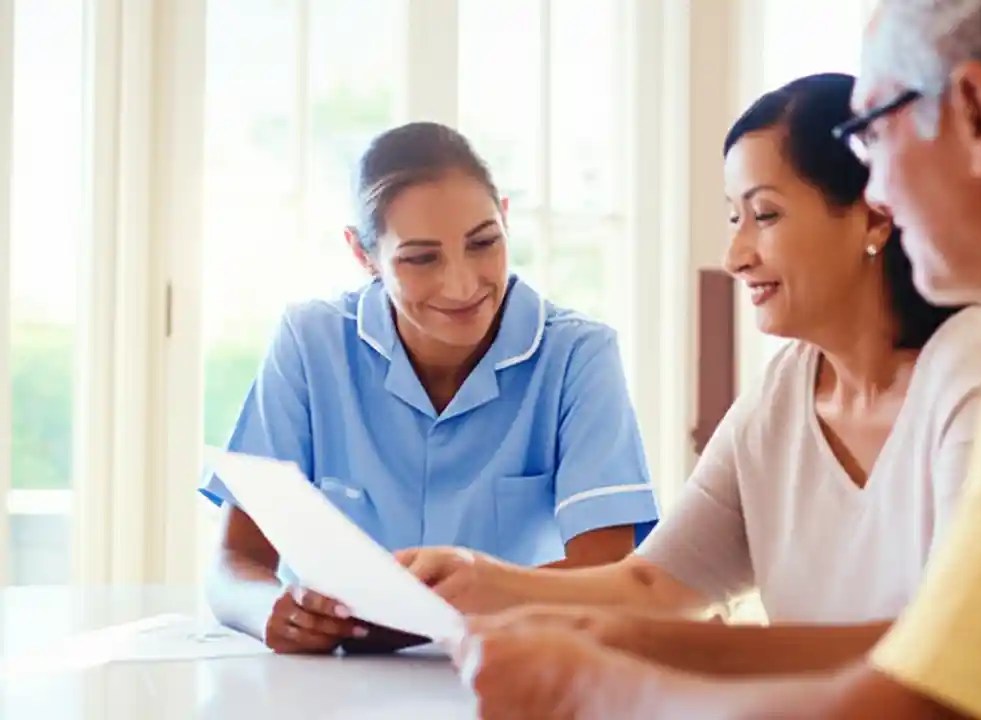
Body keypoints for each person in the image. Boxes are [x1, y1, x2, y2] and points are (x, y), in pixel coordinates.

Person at [453, 1, 981, 718]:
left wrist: (592, 692)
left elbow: (938, 709)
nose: (875, 188)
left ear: (978, 115)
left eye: (871, 130)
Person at [398, 73, 981, 677]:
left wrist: (673, 650)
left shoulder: (977, 374)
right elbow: (655, 583)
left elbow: (953, 646)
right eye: (734, 218)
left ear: (875, 217)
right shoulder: (785, 393)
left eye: (766, 215)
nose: (736, 255)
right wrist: (474, 577)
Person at [201, 122, 660, 655]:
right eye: (421, 258)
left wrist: (414, 618)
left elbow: (604, 571)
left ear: (506, 219)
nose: (463, 284)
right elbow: (232, 564)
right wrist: (270, 612)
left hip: (513, 673)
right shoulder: (310, 344)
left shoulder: (579, 356)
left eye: (484, 242)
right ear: (363, 254)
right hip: (333, 684)